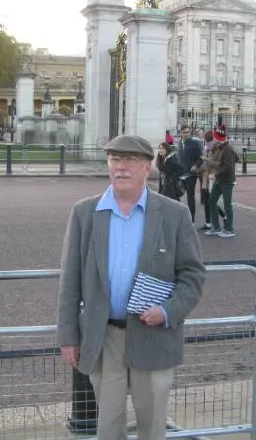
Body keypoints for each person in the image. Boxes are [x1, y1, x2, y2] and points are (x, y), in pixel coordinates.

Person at [57, 134, 205, 440]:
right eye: (115, 160)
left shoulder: (174, 214)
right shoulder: (85, 213)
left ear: (148, 167)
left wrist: (167, 310)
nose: (121, 168)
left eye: (131, 161)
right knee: (108, 426)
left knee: (152, 426)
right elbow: (69, 281)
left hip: (153, 335)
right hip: (104, 336)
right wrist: (68, 336)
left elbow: (192, 275)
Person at [203, 125, 237, 238]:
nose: (213, 140)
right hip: (220, 179)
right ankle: (216, 227)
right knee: (211, 201)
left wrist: (215, 174)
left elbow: (228, 167)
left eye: (214, 138)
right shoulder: (223, 148)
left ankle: (229, 229)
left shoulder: (228, 149)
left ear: (219, 139)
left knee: (227, 205)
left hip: (227, 181)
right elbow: (224, 164)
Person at [197, 130, 227, 232]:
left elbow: (216, 163)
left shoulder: (214, 149)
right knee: (208, 200)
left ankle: (211, 223)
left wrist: (205, 160)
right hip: (205, 175)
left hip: (210, 176)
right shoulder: (207, 148)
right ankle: (218, 218)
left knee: (209, 201)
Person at [178, 125, 203, 223]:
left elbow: (200, 158)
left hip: (191, 175)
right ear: (181, 133)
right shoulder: (180, 143)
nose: (186, 134)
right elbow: (179, 157)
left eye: (188, 132)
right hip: (181, 174)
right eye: (184, 132)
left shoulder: (194, 143)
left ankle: (191, 219)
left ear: (190, 133)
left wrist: (196, 166)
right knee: (177, 194)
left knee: (190, 196)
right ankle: (180, 215)